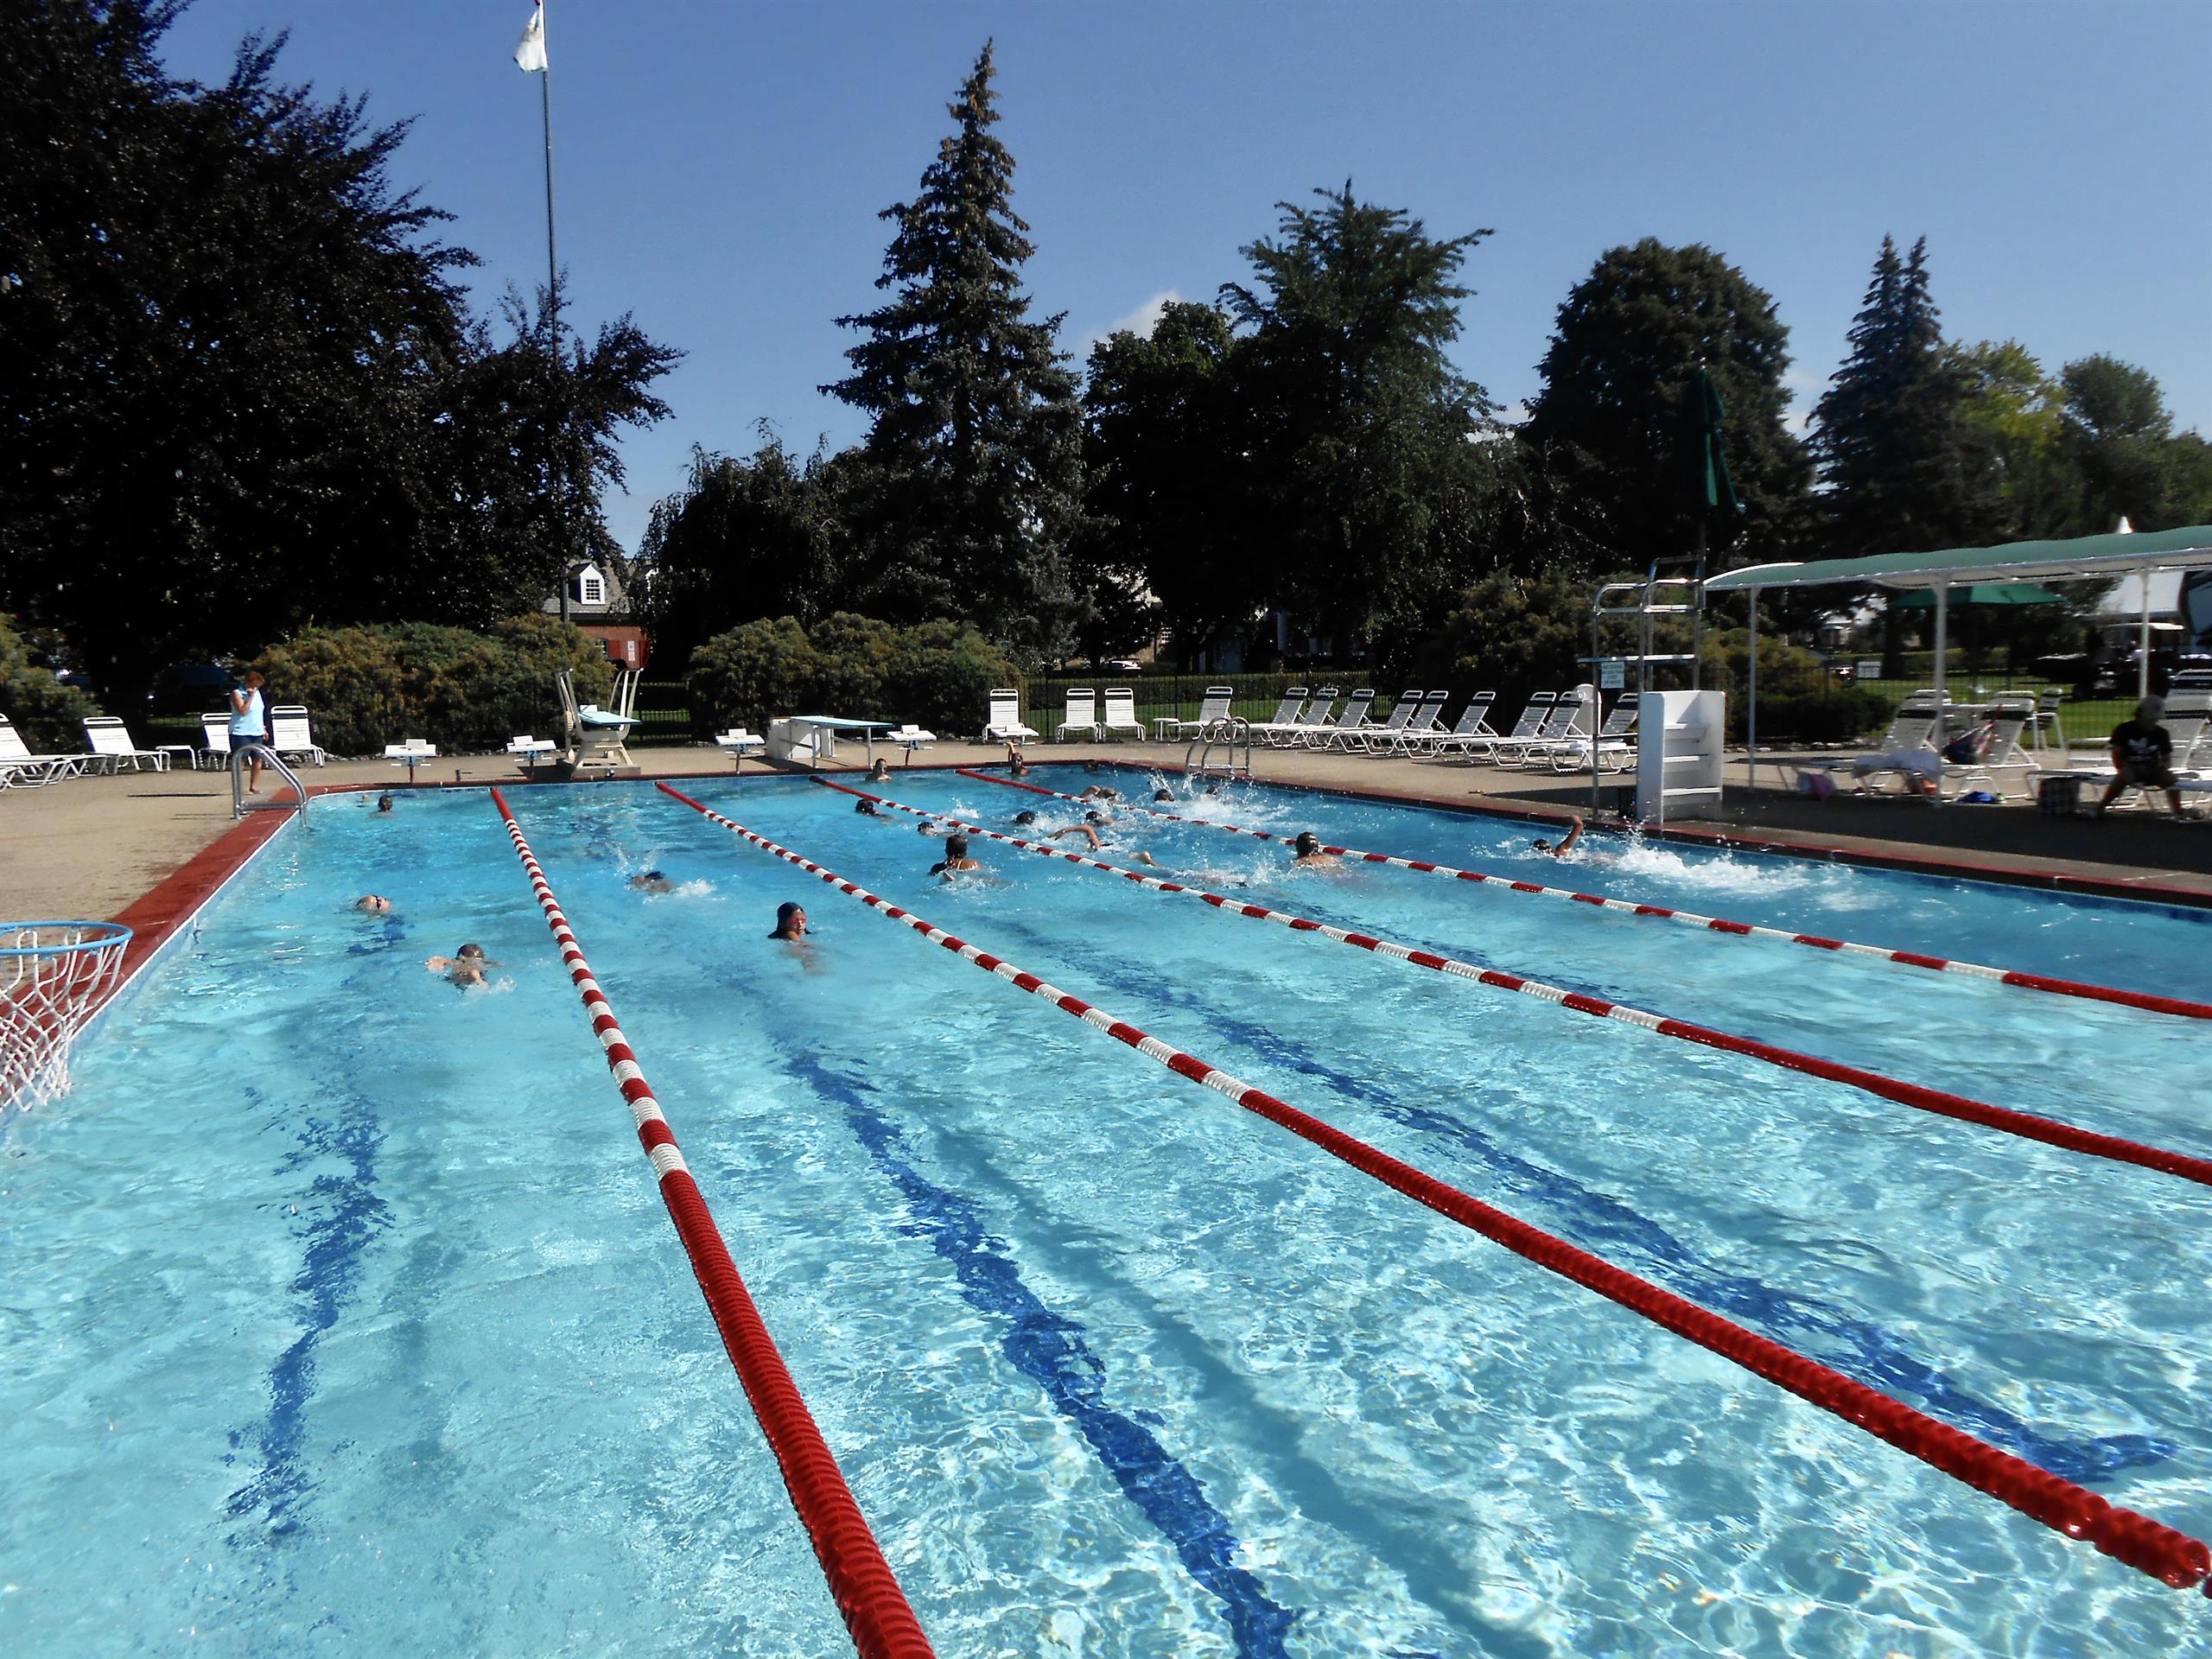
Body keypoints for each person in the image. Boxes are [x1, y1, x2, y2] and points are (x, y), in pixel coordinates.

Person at [2099, 696, 2185, 815]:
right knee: (2124, 776)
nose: (2153, 723)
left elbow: (2167, 759)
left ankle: (2178, 810)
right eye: (2151, 720)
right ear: (2139, 715)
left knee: (2171, 780)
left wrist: (2160, 766)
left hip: (2153, 768)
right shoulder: (2124, 729)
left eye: (2155, 720)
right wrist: (2123, 768)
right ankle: (2102, 806)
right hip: (2131, 767)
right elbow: (2116, 755)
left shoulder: (2161, 733)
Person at [228, 671, 269, 794]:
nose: (255, 688)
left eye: (257, 686)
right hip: (241, 731)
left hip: (256, 731)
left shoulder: (258, 694)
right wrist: (250, 697)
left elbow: (258, 712)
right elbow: (243, 711)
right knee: (241, 759)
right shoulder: (237, 694)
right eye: (253, 685)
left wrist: (263, 728)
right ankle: (238, 787)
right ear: (247, 682)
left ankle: (253, 786)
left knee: (258, 759)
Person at [424, 942, 494, 987]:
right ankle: (478, 980)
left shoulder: (457, 963)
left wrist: (440, 961)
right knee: (473, 972)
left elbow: (449, 962)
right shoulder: (481, 964)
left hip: (457, 977)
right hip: (473, 976)